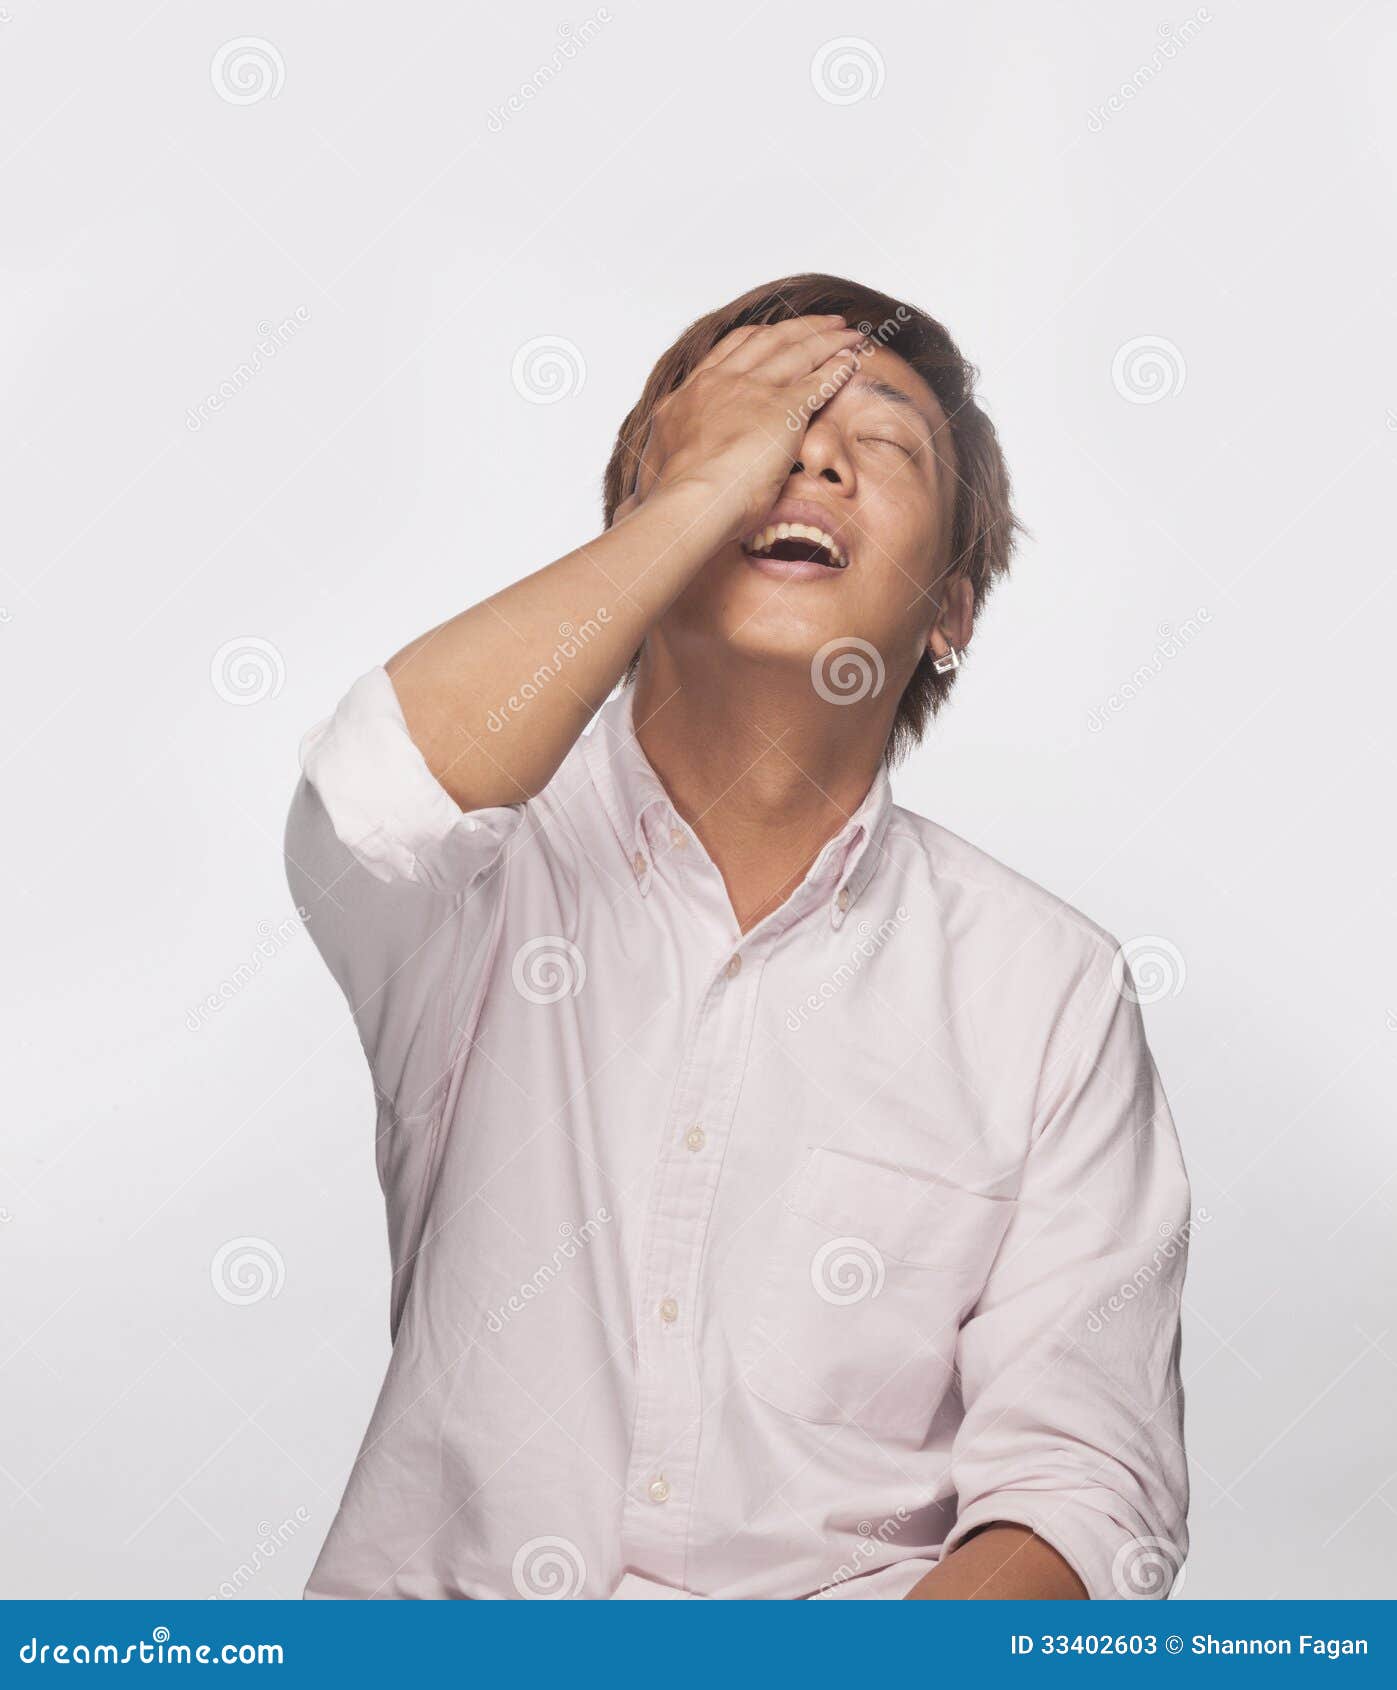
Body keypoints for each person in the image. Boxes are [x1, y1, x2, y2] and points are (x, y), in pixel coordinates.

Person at [285, 273, 1190, 1600]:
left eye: (873, 443)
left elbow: (1081, 1487)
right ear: (639, 531)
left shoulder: (1050, 988)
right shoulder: (481, 875)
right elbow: (365, 807)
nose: (806, 455)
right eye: (755, 428)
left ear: (948, 613)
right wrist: (697, 495)